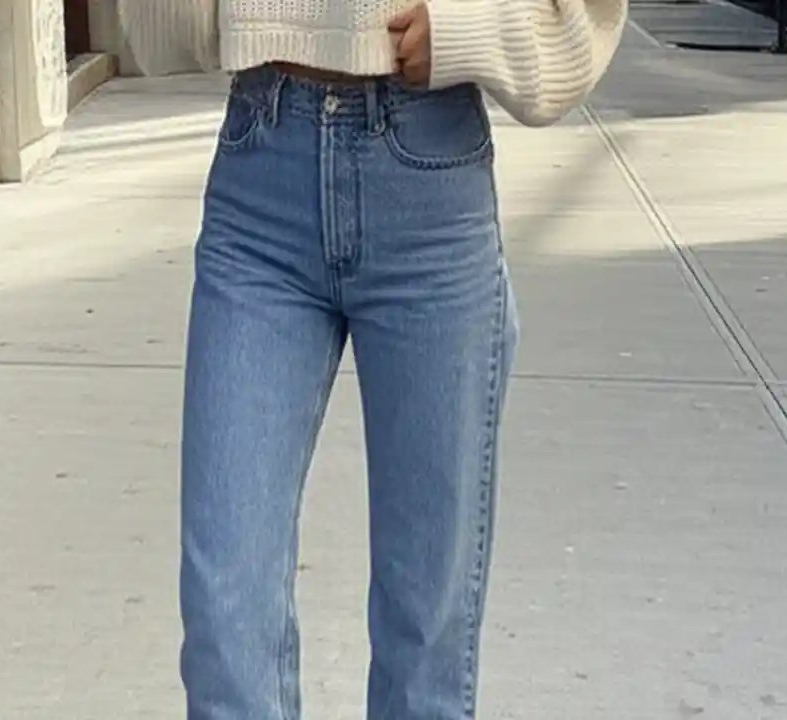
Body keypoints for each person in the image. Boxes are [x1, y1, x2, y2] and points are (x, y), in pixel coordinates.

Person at [128, 0, 626, 716]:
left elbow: (583, 19)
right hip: (260, 171)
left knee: (425, 629)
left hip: (427, 181)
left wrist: (470, 26)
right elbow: (156, 30)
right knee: (223, 616)